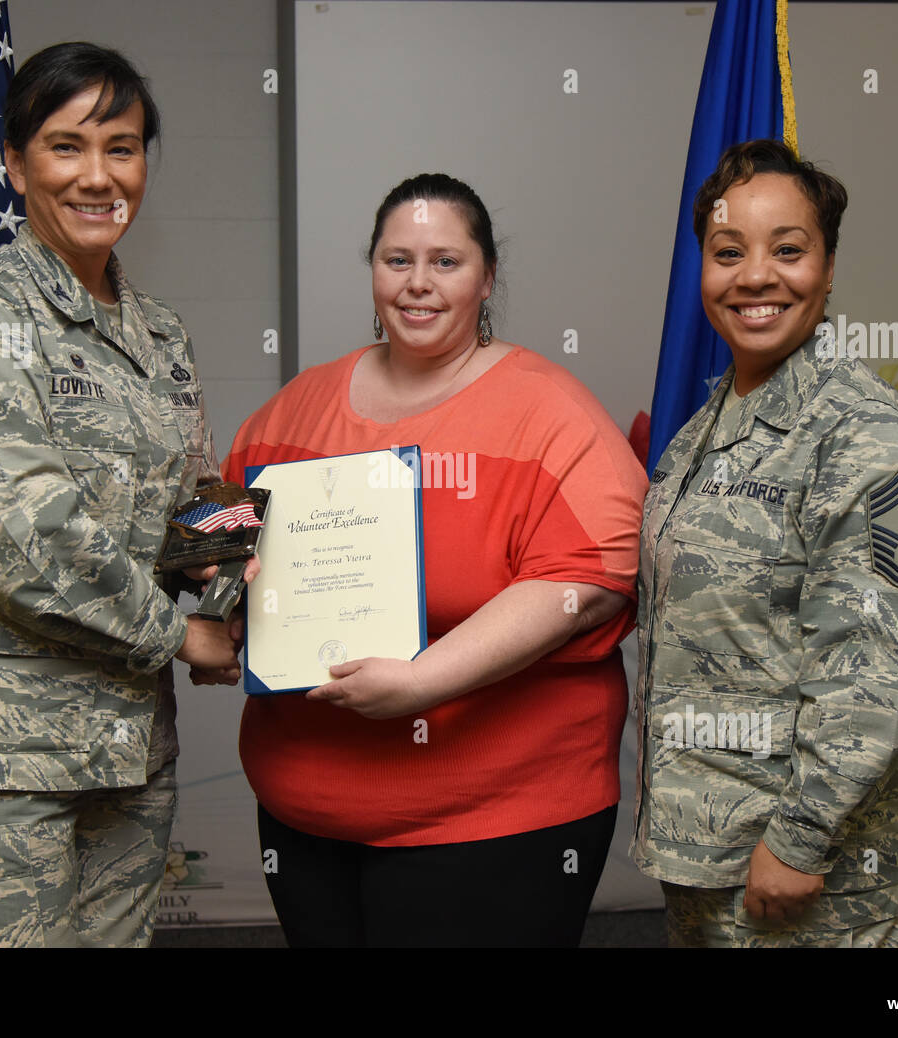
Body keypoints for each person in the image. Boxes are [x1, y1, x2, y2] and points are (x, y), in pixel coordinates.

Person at [0, 42, 250, 948]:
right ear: (13, 162)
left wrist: (243, 589)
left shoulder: (159, 333)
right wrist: (182, 634)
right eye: (66, 146)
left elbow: (194, 507)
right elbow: (24, 539)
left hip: (126, 758)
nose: (98, 175)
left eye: (121, 147)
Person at [218, 173, 646, 947]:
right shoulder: (297, 406)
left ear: (487, 279)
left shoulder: (551, 413)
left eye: (446, 262)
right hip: (305, 817)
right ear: (373, 269)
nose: (418, 284)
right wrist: (219, 604)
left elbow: (592, 580)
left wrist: (421, 683)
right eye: (397, 259)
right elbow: (217, 536)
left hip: (494, 824)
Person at [631, 139, 898, 947]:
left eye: (789, 250)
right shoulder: (710, 424)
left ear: (829, 268)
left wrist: (800, 840)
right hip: (712, 850)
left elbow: (879, 665)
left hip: (818, 877)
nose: (756, 276)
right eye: (728, 252)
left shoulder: (868, 435)